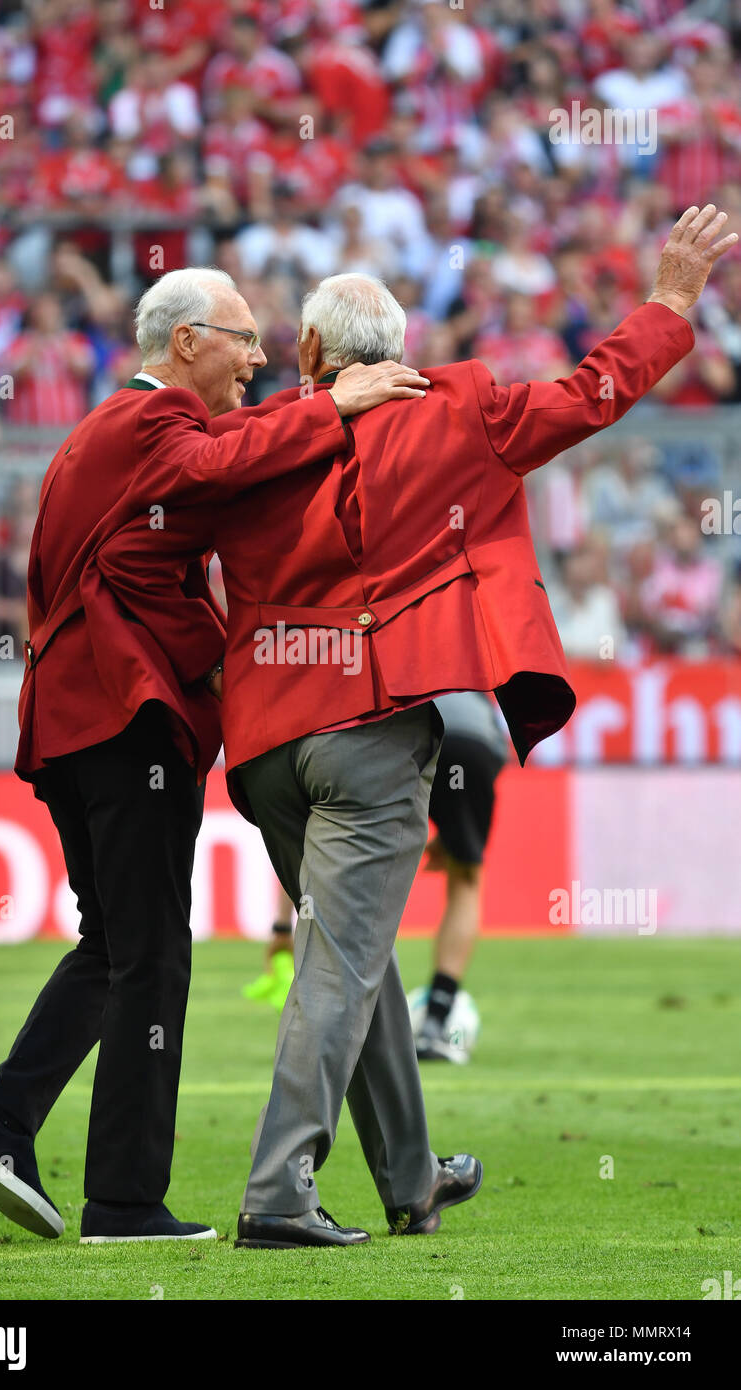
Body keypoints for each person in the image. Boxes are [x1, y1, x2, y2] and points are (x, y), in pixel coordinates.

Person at [93, 204, 735, 1250]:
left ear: (305, 351)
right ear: (397, 350)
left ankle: (406, 1177)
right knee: (342, 962)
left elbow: (146, 541)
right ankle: (277, 1192)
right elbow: (587, 398)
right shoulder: (459, 406)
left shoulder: (244, 437)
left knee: (355, 954)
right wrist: (664, 303)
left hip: (263, 746)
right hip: (369, 726)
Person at [0, 266, 429, 1245]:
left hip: (74, 722)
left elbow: (213, 477)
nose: (257, 356)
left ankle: (4, 1121)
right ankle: (120, 1200)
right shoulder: (148, 426)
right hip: (122, 724)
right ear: (185, 341)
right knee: (151, 954)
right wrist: (333, 401)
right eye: (243, 337)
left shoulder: (109, 434)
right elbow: (216, 470)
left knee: (118, 944)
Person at [408, 690, 509, 1064]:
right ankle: (436, 1021)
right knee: (466, 881)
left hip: (408, 731)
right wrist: (453, 837)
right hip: (473, 743)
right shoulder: (480, 696)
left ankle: (358, 1018)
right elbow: (481, 761)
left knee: (370, 872)